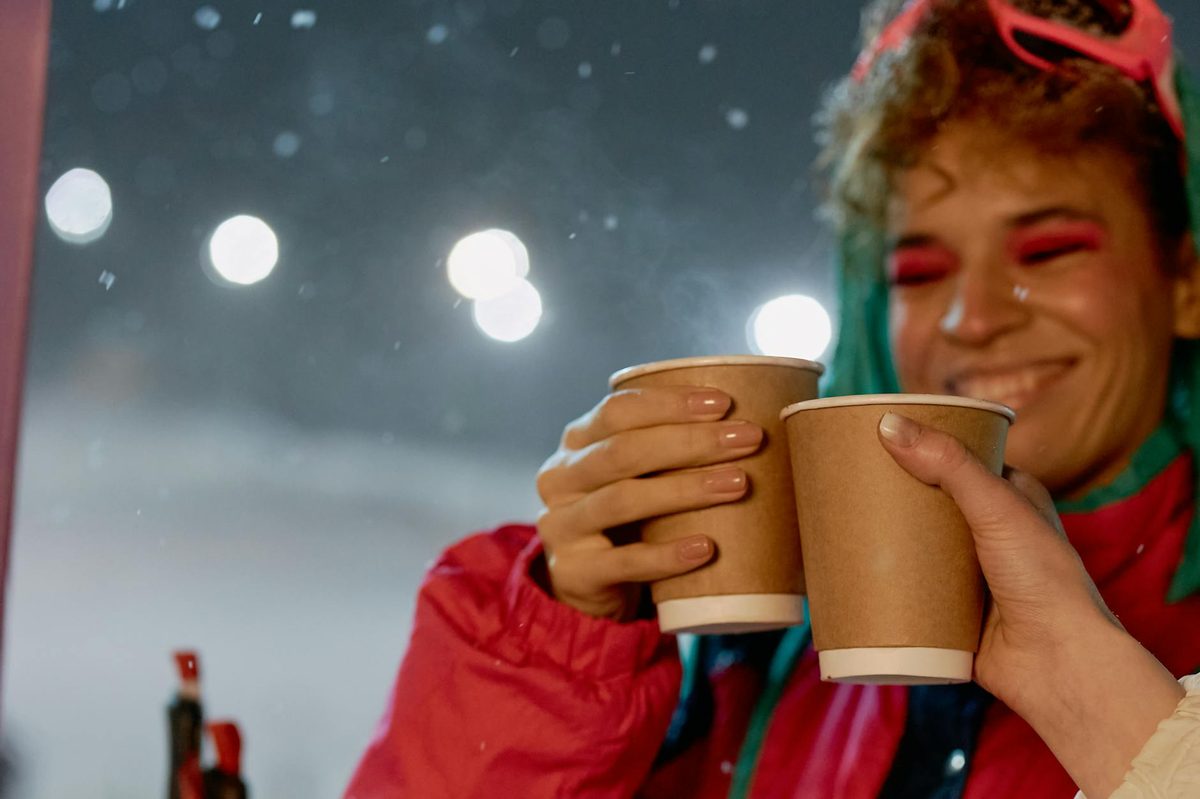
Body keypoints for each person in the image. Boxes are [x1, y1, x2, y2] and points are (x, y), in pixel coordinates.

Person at [344, 1, 1200, 796]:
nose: (970, 318)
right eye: (917, 271)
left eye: (1049, 251)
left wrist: (1105, 701)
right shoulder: (744, 652)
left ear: (1187, 277)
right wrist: (555, 650)